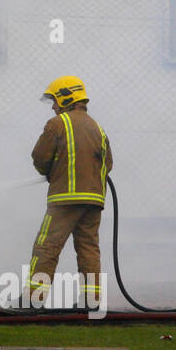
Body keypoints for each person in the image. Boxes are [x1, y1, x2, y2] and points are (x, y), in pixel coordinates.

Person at [27, 76, 113, 304]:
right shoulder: (98, 128)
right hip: (94, 200)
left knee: (47, 245)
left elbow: (40, 157)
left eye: (54, 101)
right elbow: (109, 164)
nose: (54, 107)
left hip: (65, 199)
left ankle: (33, 299)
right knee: (88, 248)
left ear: (67, 98)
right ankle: (91, 301)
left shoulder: (57, 124)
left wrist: (50, 172)